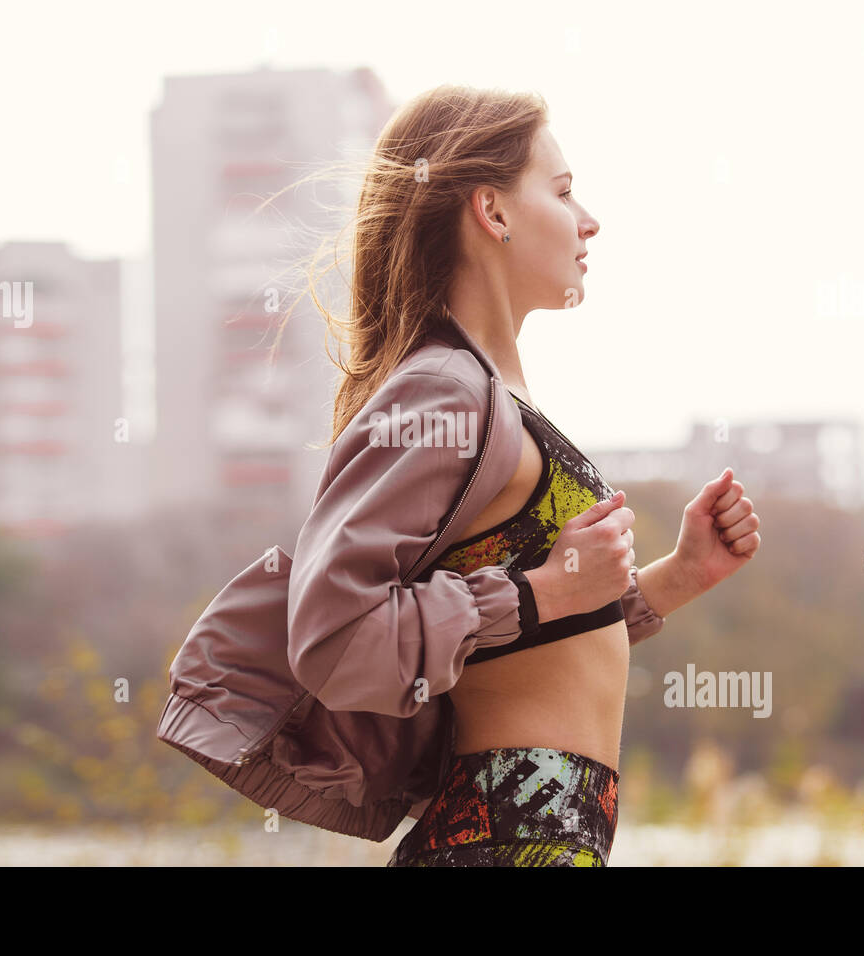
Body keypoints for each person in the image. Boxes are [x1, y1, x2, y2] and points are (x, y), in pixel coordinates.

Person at [280, 85, 762, 866]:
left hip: (540, 841)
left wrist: (673, 580)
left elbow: (527, 646)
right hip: (502, 841)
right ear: (493, 212)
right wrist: (552, 589)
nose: (590, 220)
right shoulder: (442, 392)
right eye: (565, 191)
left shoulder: (492, 394)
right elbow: (330, 638)